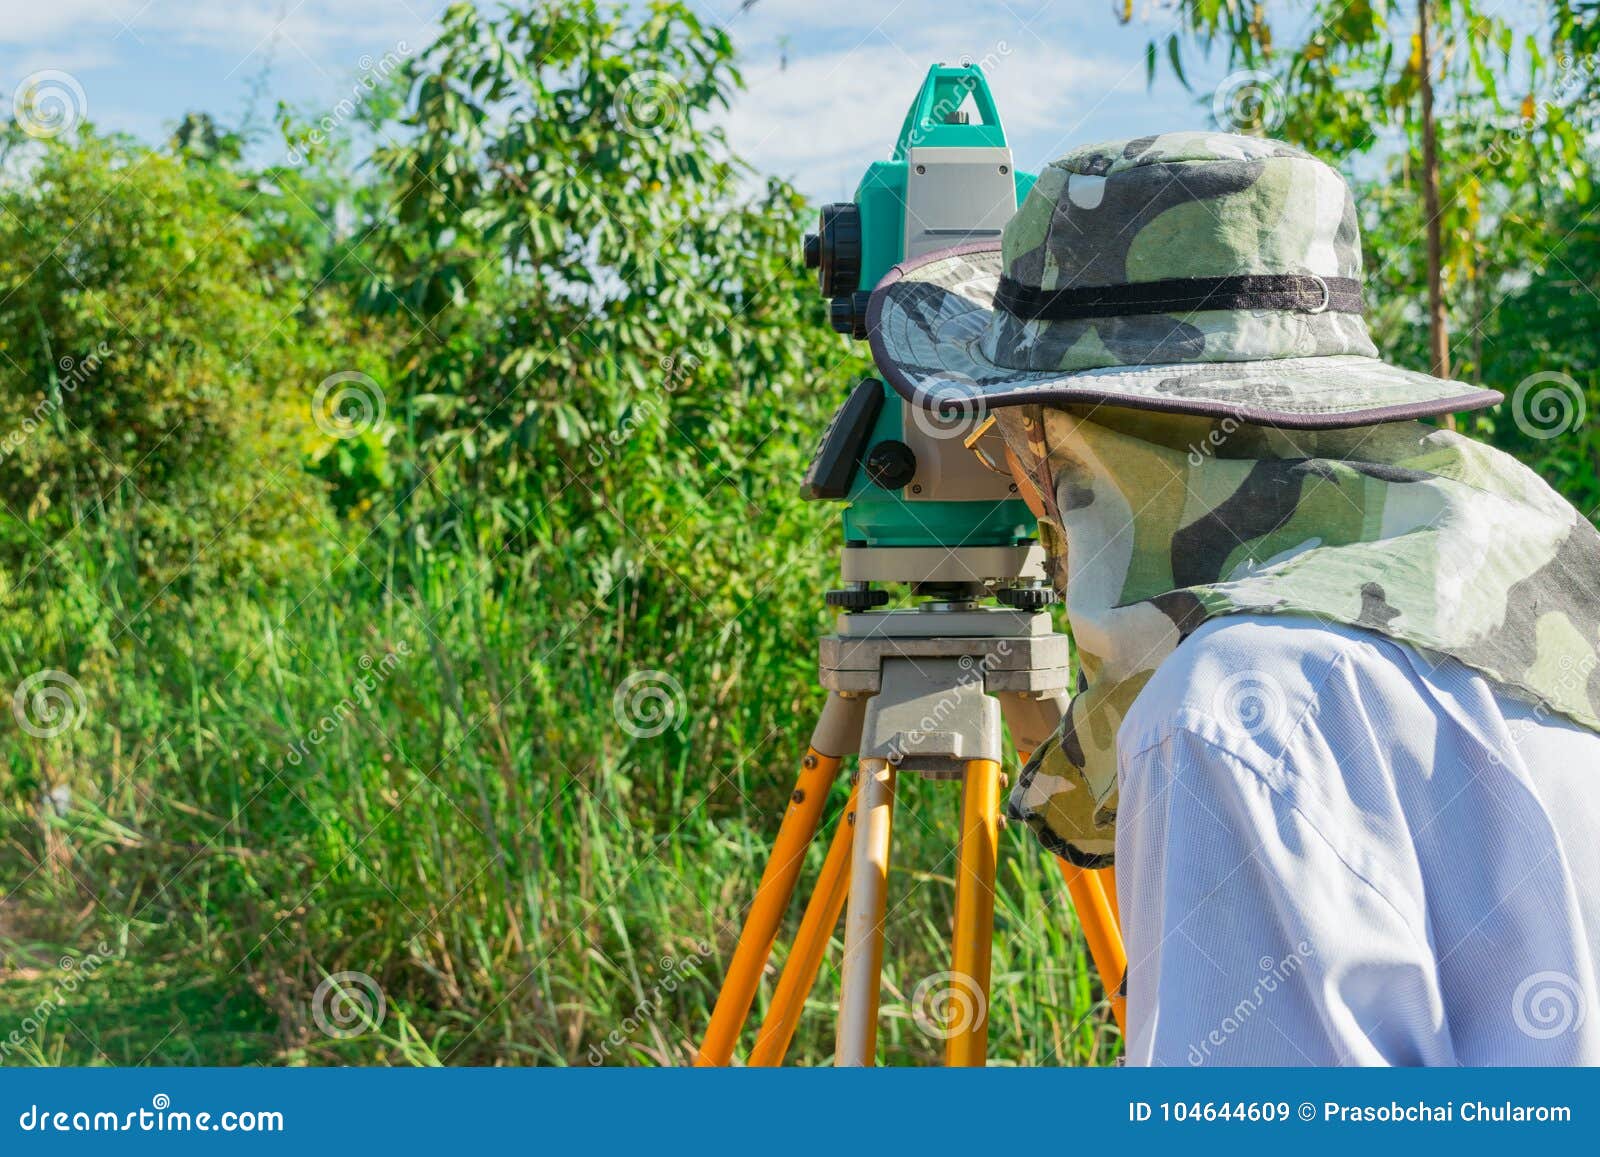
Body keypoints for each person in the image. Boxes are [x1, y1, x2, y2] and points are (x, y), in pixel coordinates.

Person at [864, 132, 1600, 1065]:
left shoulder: (1230, 711)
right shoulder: (1539, 581)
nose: (1015, 482)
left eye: (1010, 439)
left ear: (1086, 451)